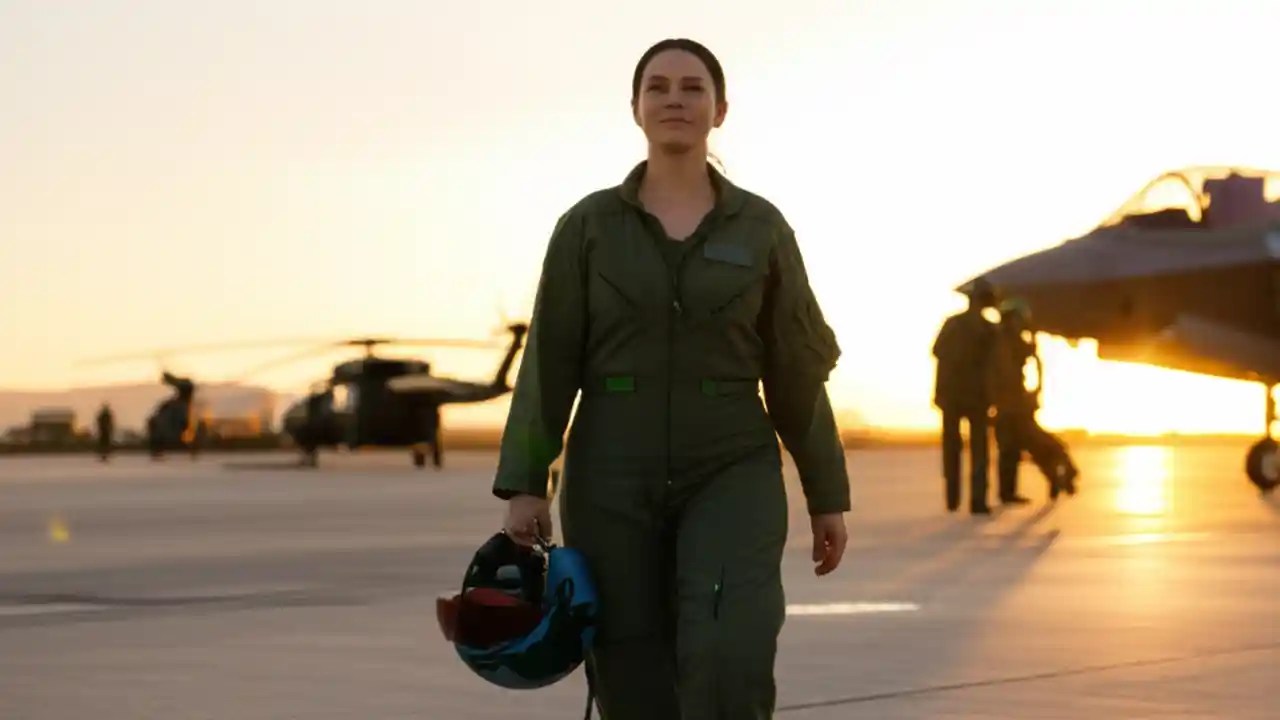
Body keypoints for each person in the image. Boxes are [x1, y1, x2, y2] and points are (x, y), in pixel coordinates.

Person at [491, 38, 850, 720]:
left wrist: (825, 491)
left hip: (732, 461)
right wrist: (524, 482)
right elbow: (549, 361)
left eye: (692, 88)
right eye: (658, 87)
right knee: (629, 661)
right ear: (635, 108)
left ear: (720, 110)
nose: (675, 100)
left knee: (731, 643)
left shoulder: (763, 229)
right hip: (609, 467)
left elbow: (796, 370)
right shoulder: (587, 226)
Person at [989, 298, 1078, 500]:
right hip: (1011, 407)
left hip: (1012, 406)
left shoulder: (1008, 340)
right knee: (1033, 448)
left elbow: (1031, 357)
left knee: (1018, 450)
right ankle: (1060, 478)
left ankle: (1016, 490)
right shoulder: (1005, 342)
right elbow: (1007, 372)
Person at [932, 278, 998, 514]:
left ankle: (952, 497)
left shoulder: (953, 324)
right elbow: (995, 366)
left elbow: (937, 352)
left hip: (952, 395)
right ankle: (977, 501)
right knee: (978, 450)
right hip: (976, 397)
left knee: (952, 448)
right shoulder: (990, 330)